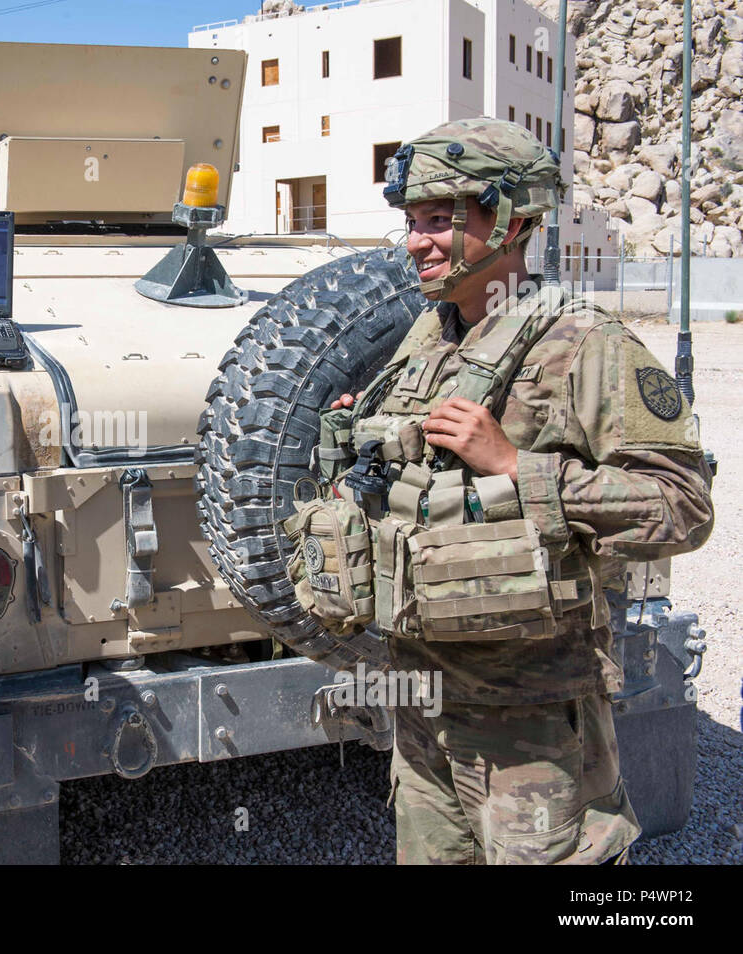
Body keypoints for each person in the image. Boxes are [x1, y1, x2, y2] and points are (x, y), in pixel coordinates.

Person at [302, 118, 713, 864]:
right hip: (423, 697)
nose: (416, 242)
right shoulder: (428, 339)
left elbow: (681, 508)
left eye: (439, 221)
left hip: (532, 717)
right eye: (411, 223)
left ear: (514, 221)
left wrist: (516, 466)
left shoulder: (585, 344)